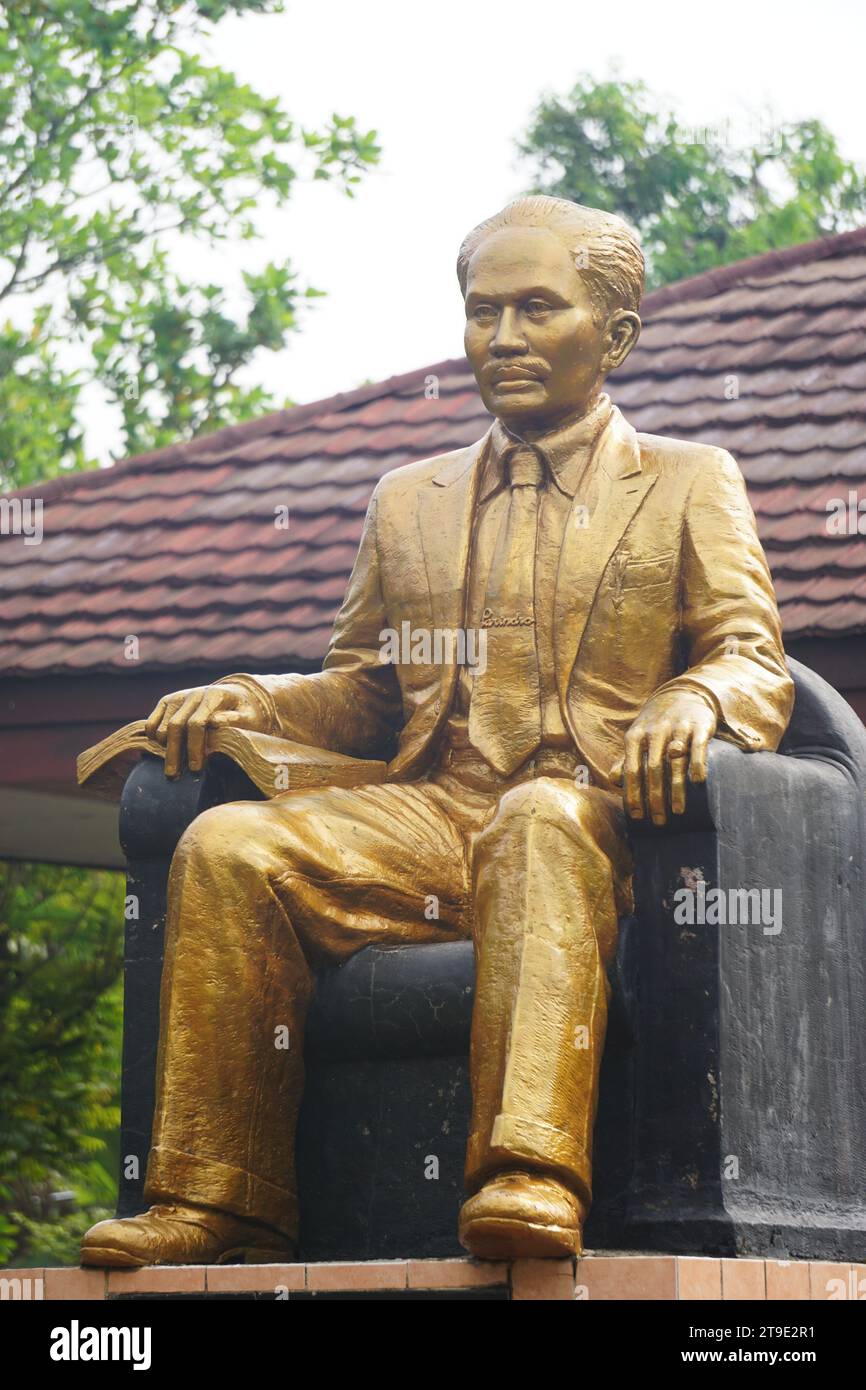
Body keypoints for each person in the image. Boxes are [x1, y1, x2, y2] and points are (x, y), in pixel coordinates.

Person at [81, 195, 792, 1267]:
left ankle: (528, 1173)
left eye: (535, 309)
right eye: (481, 313)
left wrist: (693, 698)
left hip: (592, 820)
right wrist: (252, 700)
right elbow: (365, 686)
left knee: (537, 822)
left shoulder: (690, 484)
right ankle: (221, 1198)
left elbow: (750, 653)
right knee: (227, 846)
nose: (500, 339)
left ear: (614, 334)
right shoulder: (405, 498)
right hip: (435, 811)